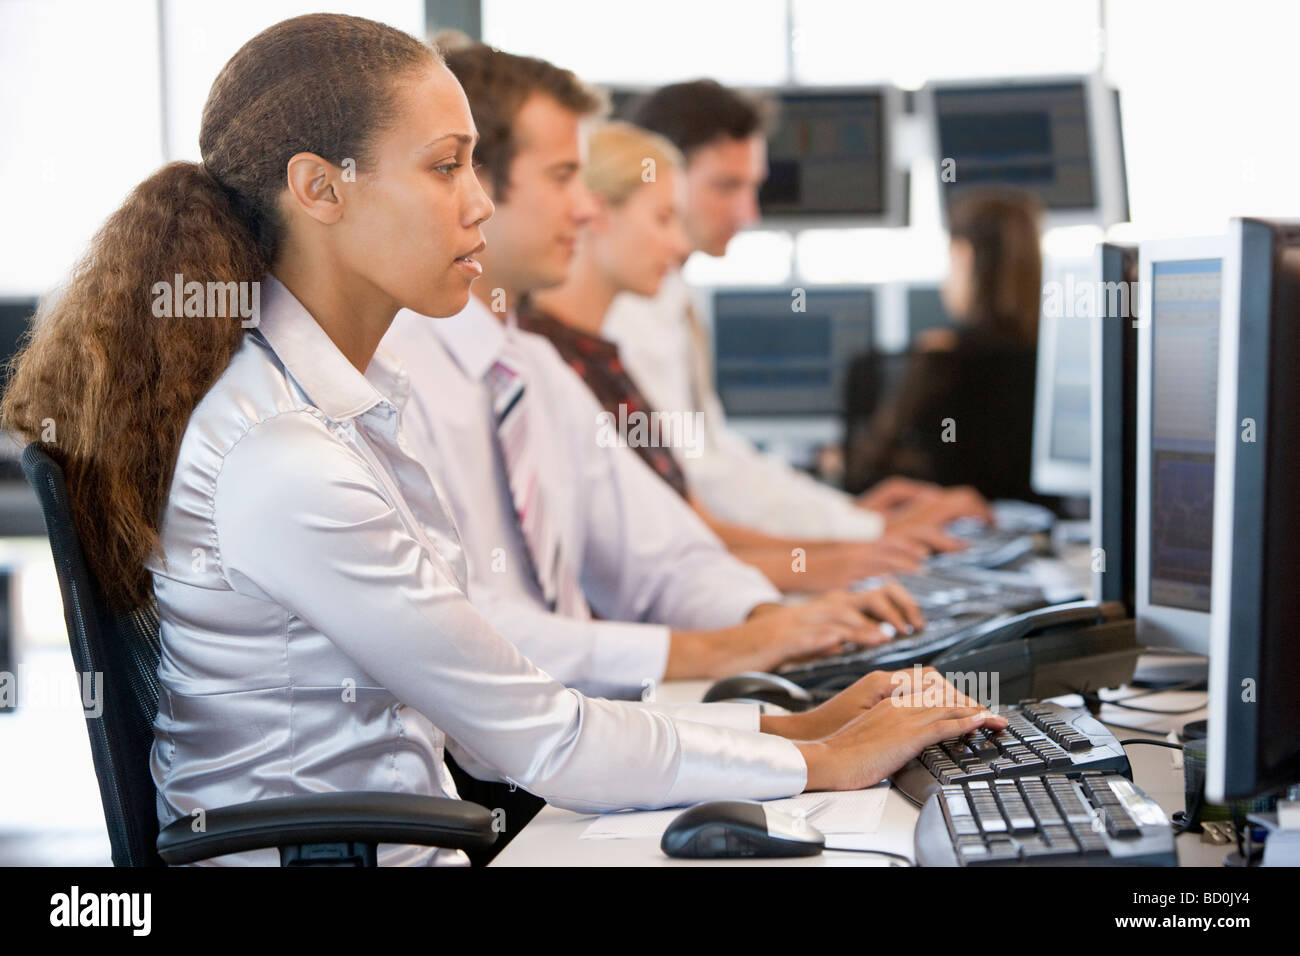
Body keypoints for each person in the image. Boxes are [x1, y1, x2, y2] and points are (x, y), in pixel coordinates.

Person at [0, 15, 1003, 866]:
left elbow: (524, 706)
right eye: (446, 166)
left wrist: (801, 726)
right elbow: (539, 734)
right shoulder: (283, 456)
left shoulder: (335, 404)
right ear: (320, 189)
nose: (481, 200)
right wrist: (817, 757)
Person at [385, 42, 928, 701]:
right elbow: (474, 639)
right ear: (474, 180)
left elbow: (668, 554)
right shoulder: (394, 380)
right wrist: (727, 646)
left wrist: (772, 621)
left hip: (575, 736)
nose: (586, 210)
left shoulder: (533, 368)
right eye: (563, 177)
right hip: (498, 772)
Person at [521, 120, 928, 591]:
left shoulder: (604, 359)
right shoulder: (555, 361)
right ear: (597, 213)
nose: (678, 243)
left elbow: (686, 524)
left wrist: (850, 546)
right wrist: (838, 554)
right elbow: (659, 554)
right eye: (662, 218)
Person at [606, 80, 990, 551]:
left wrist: (850, 516)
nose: (748, 213)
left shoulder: (672, 293)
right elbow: (700, 479)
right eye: (726, 187)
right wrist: (866, 532)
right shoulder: (625, 313)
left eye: (753, 188)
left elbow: (718, 456)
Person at [842, 189, 1056, 507]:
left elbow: (868, 479)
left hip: (944, 535)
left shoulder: (941, 361)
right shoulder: (1056, 362)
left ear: (963, 256)